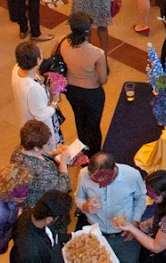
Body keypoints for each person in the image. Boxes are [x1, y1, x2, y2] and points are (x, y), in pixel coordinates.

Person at [75, 150, 147, 263]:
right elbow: (78, 197)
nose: (100, 184)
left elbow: (141, 197)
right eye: (96, 181)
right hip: (97, 234)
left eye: (105, 181)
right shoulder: (83, 175)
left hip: (124, 235)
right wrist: (84, 205)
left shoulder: (132, 175)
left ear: (114, 170)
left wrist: (135, 223)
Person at [55, 12, 108, 155]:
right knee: (93, 127)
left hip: (71, 91)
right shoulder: (97, 53)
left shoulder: (62, 42)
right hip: (92, 93)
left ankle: (83, 152)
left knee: (80, 121)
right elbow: (103, 79)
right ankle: (94, 156)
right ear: (88, 31)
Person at [9, 118, 70, 203]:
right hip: (43, 201)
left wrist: (52, 153)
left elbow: (37, 155)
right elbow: (62, 188)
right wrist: (63, 164)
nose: (48, 145)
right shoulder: (41, 171)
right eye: (46, 144)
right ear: (36, 148)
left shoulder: (20, 149)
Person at [12, 40, 60, 140]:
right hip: (40, 131)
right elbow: (42, 115)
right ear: (37, 61)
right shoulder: (32, 88)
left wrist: (47, 90)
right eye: (40, 54)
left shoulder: (16, 69)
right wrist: (54, 101)